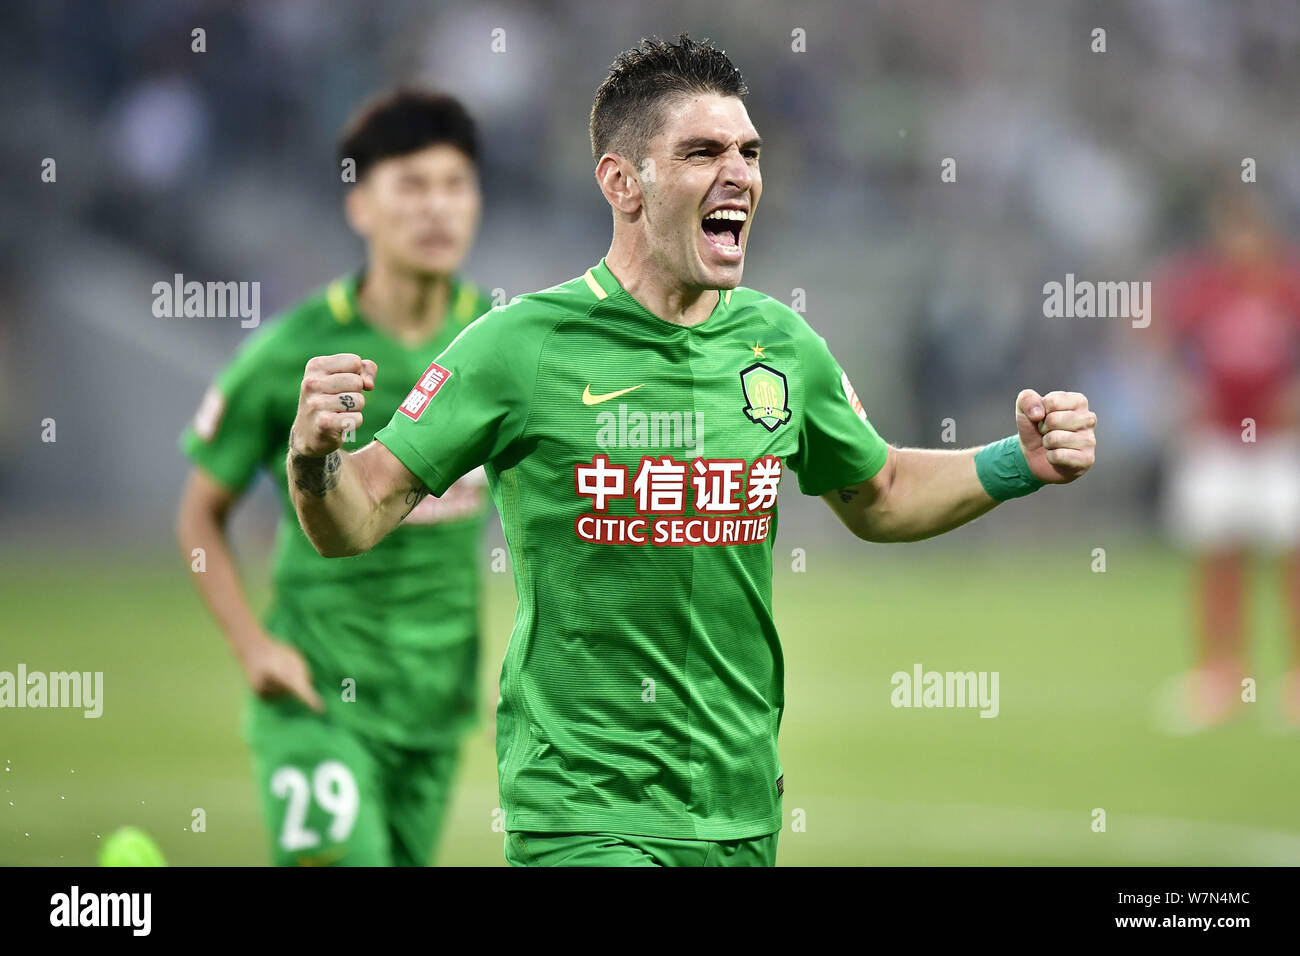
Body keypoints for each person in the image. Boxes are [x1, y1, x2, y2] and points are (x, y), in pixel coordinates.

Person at [283, 36, 1098, 867]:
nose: (738, 173)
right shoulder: (518, 347)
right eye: (702, 152)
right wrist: (315, 463)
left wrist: (1017, 463)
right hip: (584, 813)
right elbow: (355, 517)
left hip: (739, 809)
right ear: (622, 183)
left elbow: (880, 490)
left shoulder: (780, 346)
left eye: (749, 152)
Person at [176, 89, 493, 865]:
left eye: (455, 185)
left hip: (436, 705)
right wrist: (253, 648)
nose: (437, 209)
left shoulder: (500, 346)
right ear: (360, 205)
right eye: (411, 186)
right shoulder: (295, 353)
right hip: (319, 697)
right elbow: (199, 516)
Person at [1153, 189, 1300, 729]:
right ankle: (1221, 676)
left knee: (1291, 556)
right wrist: (1181, 390)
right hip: (1216, 440)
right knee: (1218, 555)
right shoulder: (1201, 288)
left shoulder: (1288, 285)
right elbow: (1169, 347)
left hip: (1279, 442)